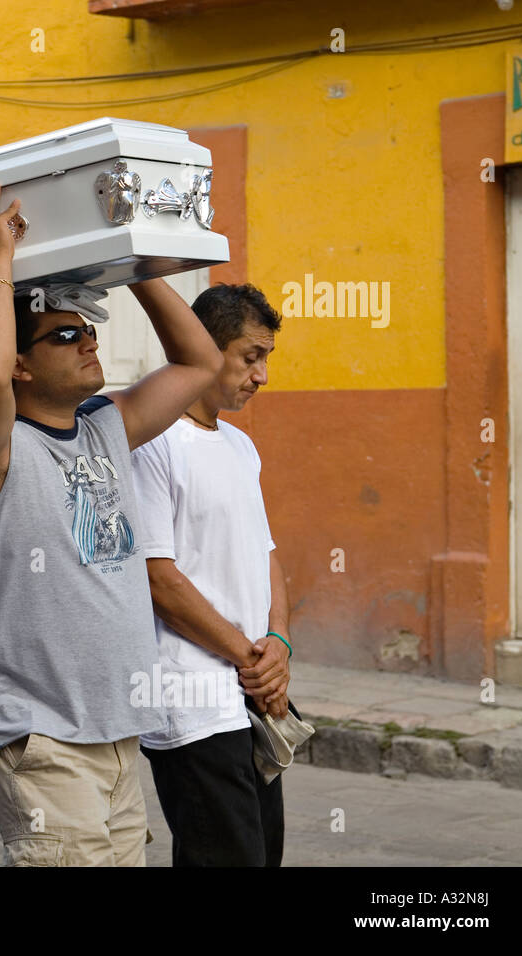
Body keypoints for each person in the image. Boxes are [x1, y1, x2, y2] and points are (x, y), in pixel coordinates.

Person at [0, 184, 222, 867]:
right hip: (41, 741)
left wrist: (137, 267)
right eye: (65, 334)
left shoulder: (106, 427)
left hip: (119, 736)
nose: (88, 340)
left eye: (89, 328)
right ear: (22, 362)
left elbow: (201, 364)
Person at [131, 283, 292, 866]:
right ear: (206, 347)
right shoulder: (151, 442)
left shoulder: (241, 446)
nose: (262, 375)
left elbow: (266, 554)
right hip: (192, 699)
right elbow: (157, 575)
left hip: (249, 696)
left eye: (266, 358)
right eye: (251, 356)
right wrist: (252, 660)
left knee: (262, 855)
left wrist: (278, 643)